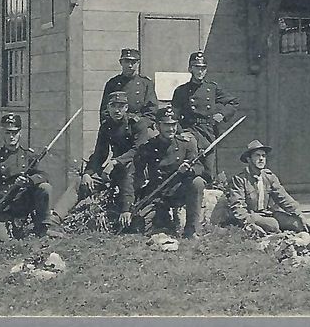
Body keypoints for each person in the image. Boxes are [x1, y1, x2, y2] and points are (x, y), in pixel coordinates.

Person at [52, 91, 153, 227]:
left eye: (121, 106)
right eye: (113, 106)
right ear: (108, 108)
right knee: (81, 182)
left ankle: (125, 213)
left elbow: (138, 150)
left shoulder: (137, 124)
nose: (117, 110)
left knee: (128, 175)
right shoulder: (106, 126)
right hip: (116, 168)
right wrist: (88, 173)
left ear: (126, 108)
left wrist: (116, 161)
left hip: (138, 167)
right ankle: (55, 218)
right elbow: (100, 153)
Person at [0, 113, 64, 241]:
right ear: (2, 133)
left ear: (20, 133)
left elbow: (44, 175)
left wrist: (29, 181)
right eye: (8, 132)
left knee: (45, 187)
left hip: (23, 206)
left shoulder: (29, 157)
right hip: (3, 209)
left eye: (15, 132)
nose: (11, 136)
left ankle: (42, 228)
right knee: (2, 240)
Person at [122, 106, 206, 238]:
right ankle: (165, 222)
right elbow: (132, 175)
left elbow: (200, 168)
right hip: (157, 194)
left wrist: (189, 170)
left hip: (178, 192)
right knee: (143, 227)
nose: (171, 129)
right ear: (157, 126)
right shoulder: (148, 147)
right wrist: (126, 207)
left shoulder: (186, 144)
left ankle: (192, 230)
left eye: (173, 125)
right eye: (166, 125)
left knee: (198, 182)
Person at [171, 51, 240, 182]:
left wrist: (222, 114)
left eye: (203, 68)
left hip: (208, 132)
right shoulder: (181, 91)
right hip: (189, 131)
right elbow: (174, 116)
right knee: (189, 166)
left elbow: (233, 102)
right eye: (197, 67)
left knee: (208, 171)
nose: (200, 71)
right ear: (190, 69)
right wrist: (180, 133)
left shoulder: (212, 88)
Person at [227, 140, 310, 237]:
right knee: (273, 225)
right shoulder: (239, 179)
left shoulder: (269, 177)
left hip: (267, 213)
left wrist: (301, 216)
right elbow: (237, 206)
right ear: (249, 159)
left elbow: (283, 198)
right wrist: (248, 223)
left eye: (263, 156)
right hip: (251, 215)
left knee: (298, 224)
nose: (261, 159)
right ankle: (275, 237)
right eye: (257, 155)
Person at [100, 48, 158, 123]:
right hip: (117, 124)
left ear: (138, 63)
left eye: (133, 62)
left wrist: (142, 123)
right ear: (121, 63)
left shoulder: (146, 83)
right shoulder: (112, 83)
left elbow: (151, 109)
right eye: (126, 62)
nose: (130, 65)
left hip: (138, 124)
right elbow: (105, 109)